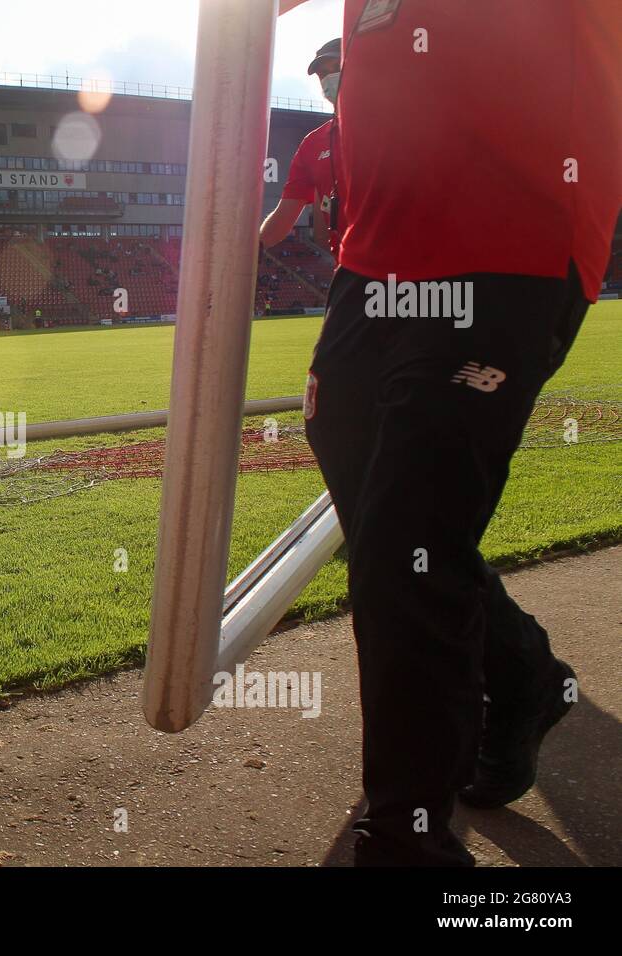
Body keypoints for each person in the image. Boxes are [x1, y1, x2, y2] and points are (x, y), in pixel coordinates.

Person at [282, 0, 621, 866]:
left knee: (406, 540)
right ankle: (521, 675)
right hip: (377, 252)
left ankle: (409, 841)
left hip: (509, 230)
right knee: (380, 508)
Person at [260, 38, 340, 255]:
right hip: (351, 268)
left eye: (337, 68)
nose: (329, 78)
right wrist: (255, 248)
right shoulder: (312, 144)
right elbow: (285, 213)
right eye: (323, 74)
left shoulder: (392, 124)